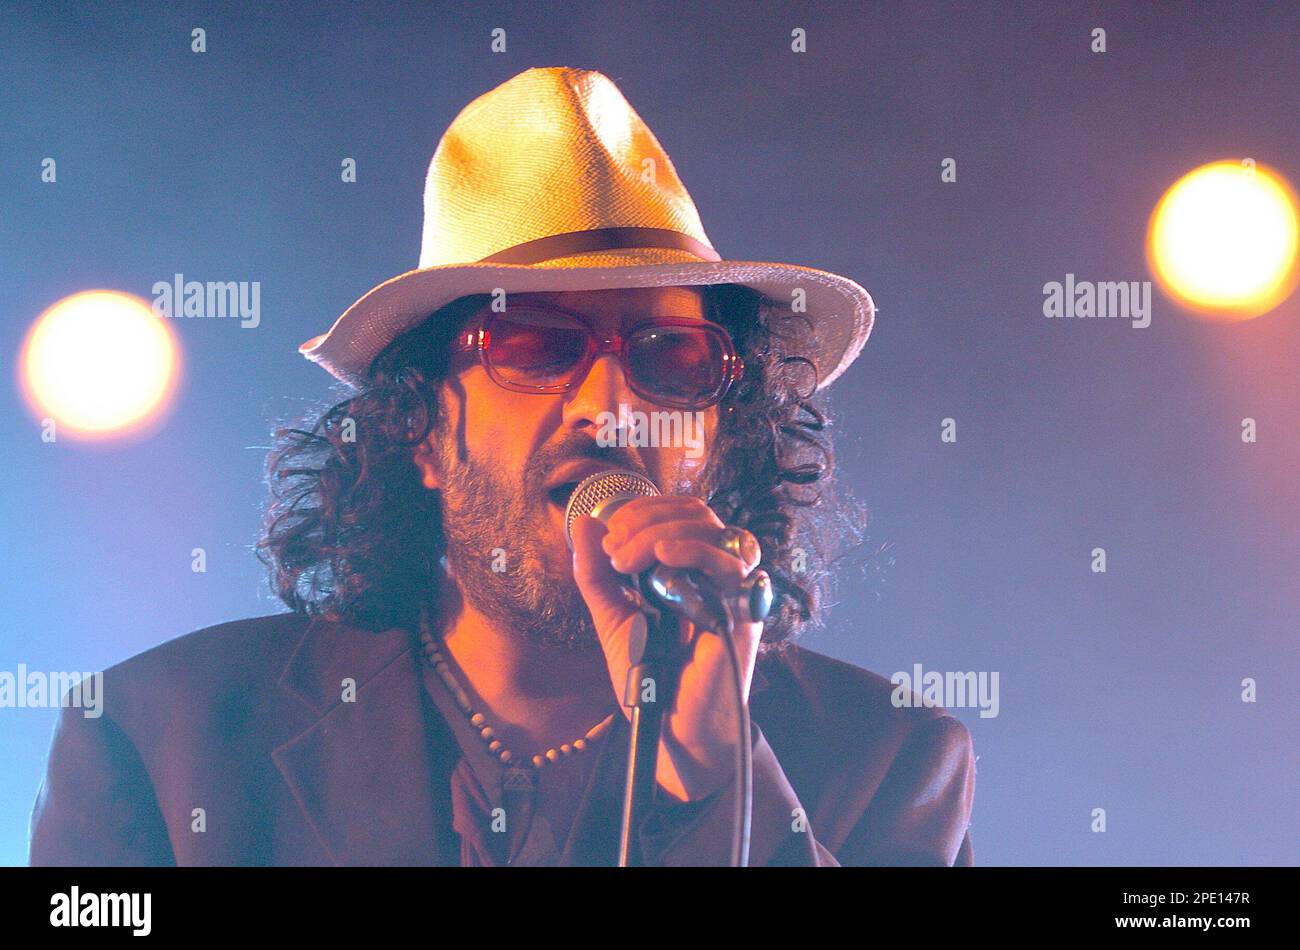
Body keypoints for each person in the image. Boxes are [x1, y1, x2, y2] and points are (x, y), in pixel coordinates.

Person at [29, 67, 975, 866]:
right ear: (422, 430)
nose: (610, 408)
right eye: (532, 346)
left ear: (720, 434)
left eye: (669, 359)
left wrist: (722, 781)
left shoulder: (888, 759)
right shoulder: (163, 739)